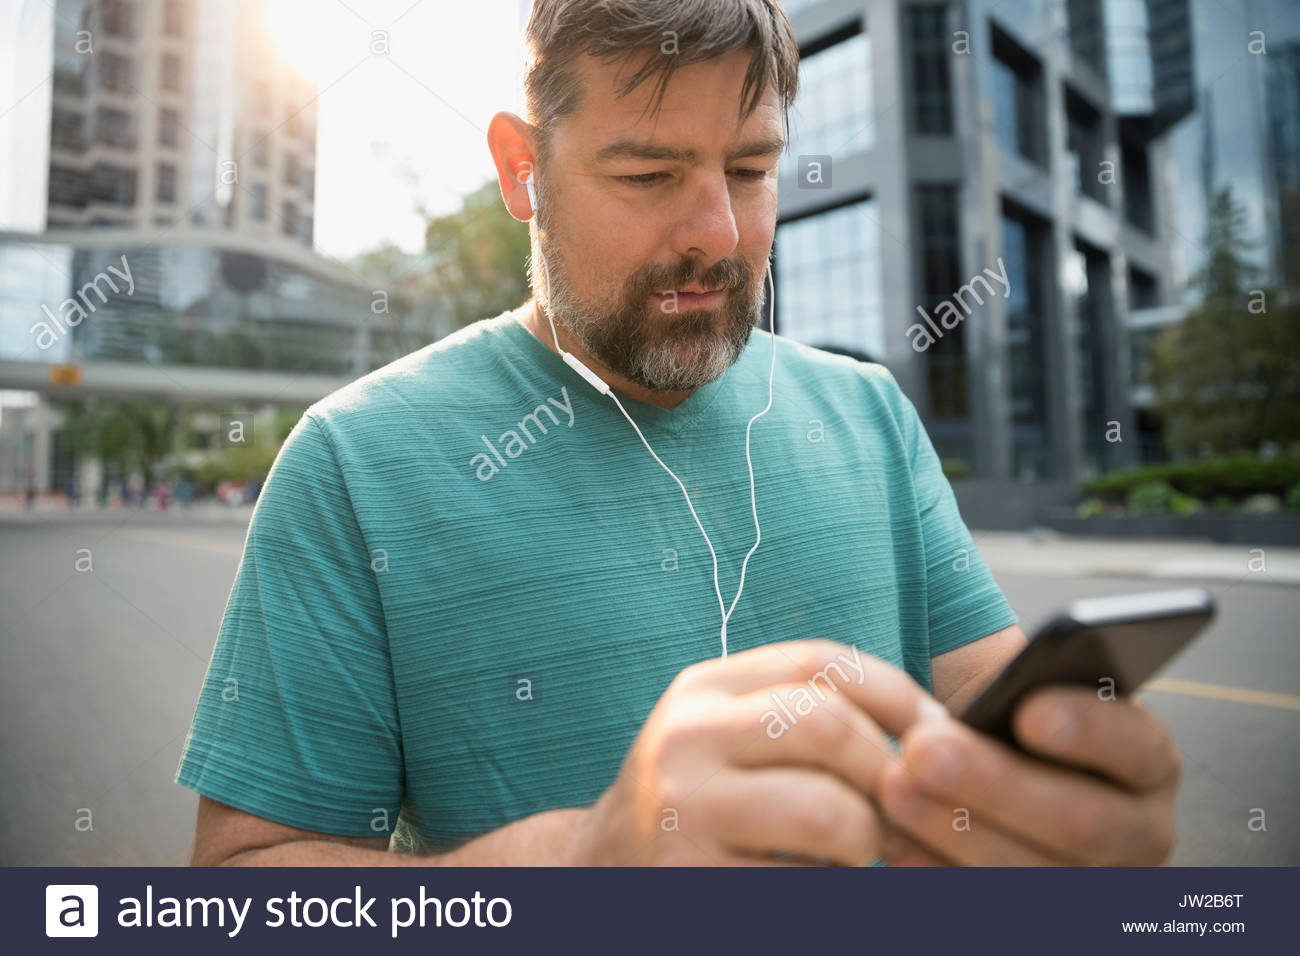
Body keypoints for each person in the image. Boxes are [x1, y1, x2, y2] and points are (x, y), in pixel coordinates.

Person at [177, 0, 1182, 867]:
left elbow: (987, 721)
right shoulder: (354, 462)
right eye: (650, 174)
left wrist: (1062, 802)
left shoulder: (869, 414)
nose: (718, 232)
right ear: (521, 166)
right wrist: (586, 861)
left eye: (749, 168)